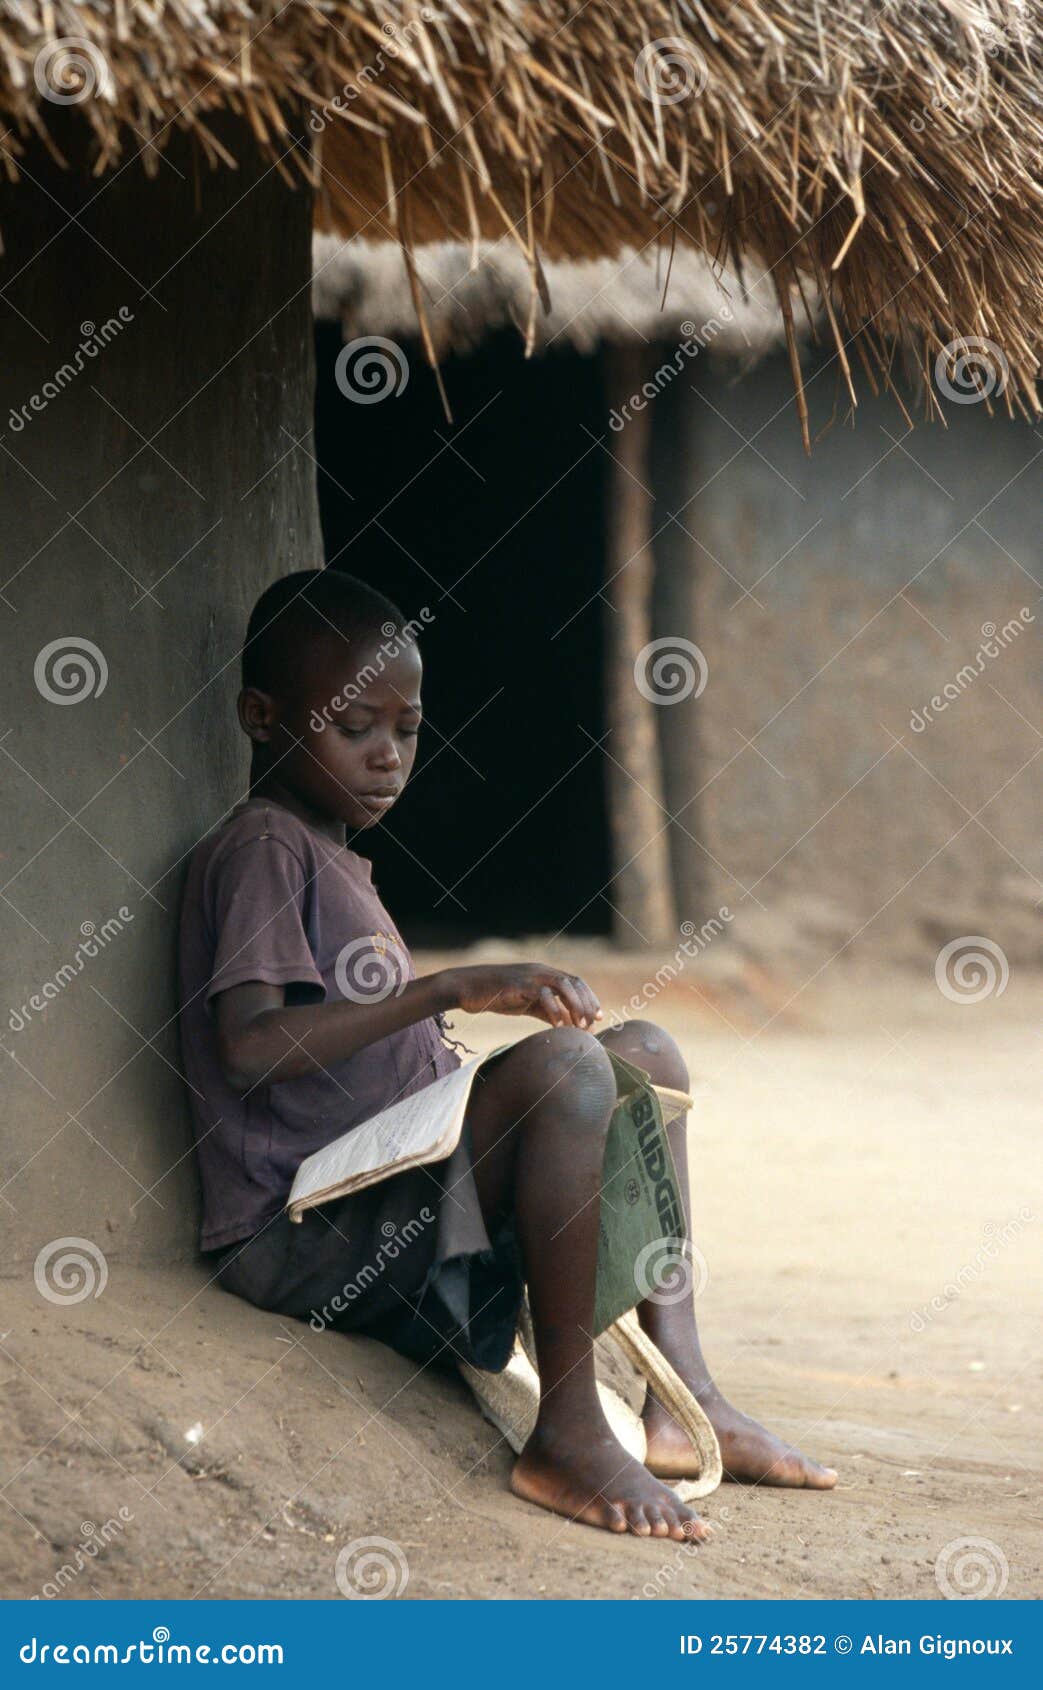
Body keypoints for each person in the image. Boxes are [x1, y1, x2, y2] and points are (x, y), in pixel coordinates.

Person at [178, 569, 836, 1543]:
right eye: (354, 725)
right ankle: (564, 1429)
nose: (386, 755)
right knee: (563, 1073)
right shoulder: (261, 850)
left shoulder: (325, 852)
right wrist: (450, 989)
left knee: (643, 1052)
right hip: (301, 1234)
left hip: (387, 1197)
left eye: (405, 728)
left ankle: (681, 1395)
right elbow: (247, 1047)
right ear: (262, 715)